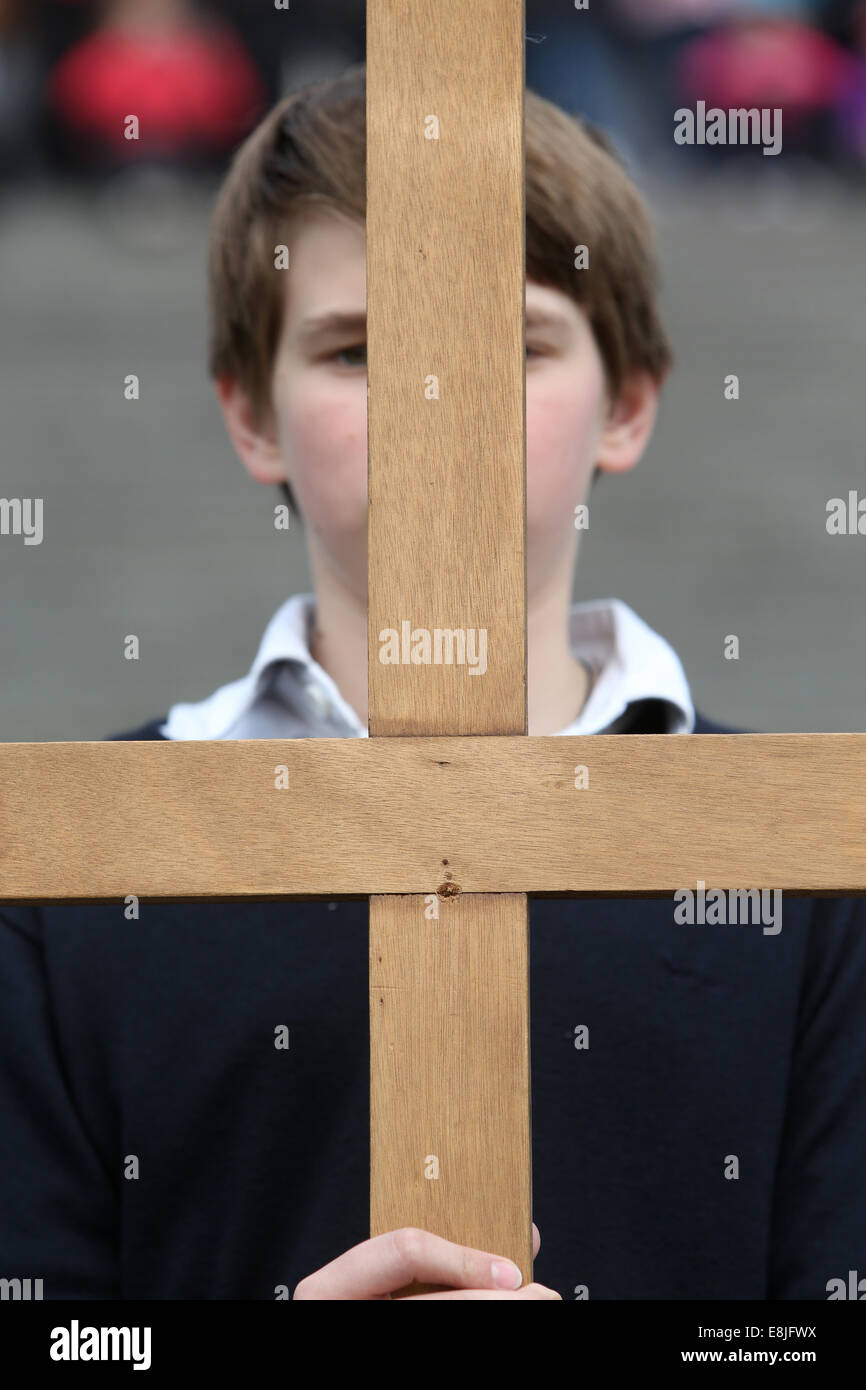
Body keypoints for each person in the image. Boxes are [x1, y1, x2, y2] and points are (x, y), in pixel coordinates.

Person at [1, 63, 864, 1301]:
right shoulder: (68, 865)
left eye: (510, 341)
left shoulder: (806, 861)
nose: (435, 397)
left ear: (625, 404)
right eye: (358, 350)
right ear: (251, 416)